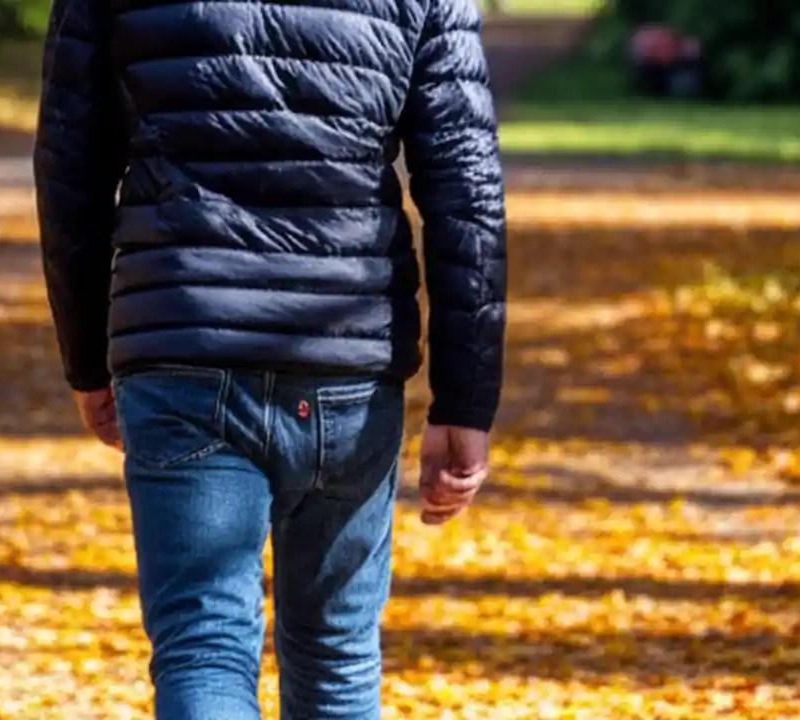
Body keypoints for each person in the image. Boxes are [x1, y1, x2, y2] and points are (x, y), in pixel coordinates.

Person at [34, 0, 505, 715]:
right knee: (336, 654)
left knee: (202, 645)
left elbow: (70, 163)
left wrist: (88, 360)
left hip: (182, 339)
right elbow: (466, 188)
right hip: (347, 357)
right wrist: (465, 399)